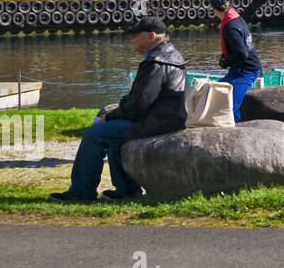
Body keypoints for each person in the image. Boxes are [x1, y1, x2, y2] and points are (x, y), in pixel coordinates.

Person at [49, 17, 187, 202]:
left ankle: (82, 192)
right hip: (165, 119)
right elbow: (143, 100)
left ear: (151, 36)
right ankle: (127, 190)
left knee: (94, 134)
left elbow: (139, 104)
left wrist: (110, 116)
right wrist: (119, 112)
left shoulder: (156, 62)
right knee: (114, 137)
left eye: (135, 35)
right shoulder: (169, 56)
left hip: (155, 123)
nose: (131, 39)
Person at [209, 0, 262, 121]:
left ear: (212, 8)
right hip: (239, 69)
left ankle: (236, 132)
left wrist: (225, 62)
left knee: (229, 107)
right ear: (227, 2)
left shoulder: (230, 26)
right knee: (215, 95)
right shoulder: (235, 17)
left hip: (247, 70)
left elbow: (242, 54)